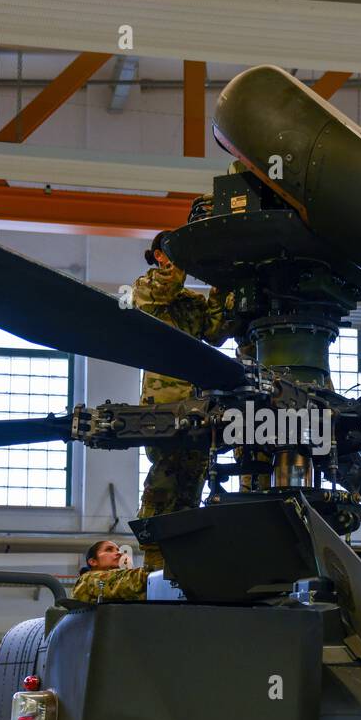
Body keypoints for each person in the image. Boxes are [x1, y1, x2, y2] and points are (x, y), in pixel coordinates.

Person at [133, 230, 242, 570]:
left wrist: (220, 281)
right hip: (164, 408)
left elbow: (216, 332)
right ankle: (154, 554)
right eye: (166, 253)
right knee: (165, 477)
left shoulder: (190, 305)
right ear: (159, 257)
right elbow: (166, 286)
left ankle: (181, 558)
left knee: (192, 479)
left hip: (199, 407)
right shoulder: (144, 289)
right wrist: (179, 254)